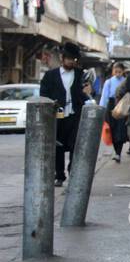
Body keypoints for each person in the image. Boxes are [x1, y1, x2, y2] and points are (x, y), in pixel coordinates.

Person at [39, 41, 88, 188]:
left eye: (74, 59)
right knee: (58, 146)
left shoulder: (81, 75)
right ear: (62, 58)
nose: (71, 62)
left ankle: (72, 171)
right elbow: (44, 94)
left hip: (74, 115)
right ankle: (59, 175)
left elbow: (86, 94)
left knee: (75, 145)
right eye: (69, 59)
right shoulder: (50, 76)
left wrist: (87, 93)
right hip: (57, 116)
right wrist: (50, 103)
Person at [100, 60, 129, 162]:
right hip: (111, 106)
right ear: (113, 71)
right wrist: (102, 108)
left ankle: (118, 153)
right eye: (115, 71)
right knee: (111, 129)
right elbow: (104, 96)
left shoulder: (125, 81)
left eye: (119, 71)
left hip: (122, 105)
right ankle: (116, 150)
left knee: (120, 130)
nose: (117, 74)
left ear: (123, 71)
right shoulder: (109, 82)